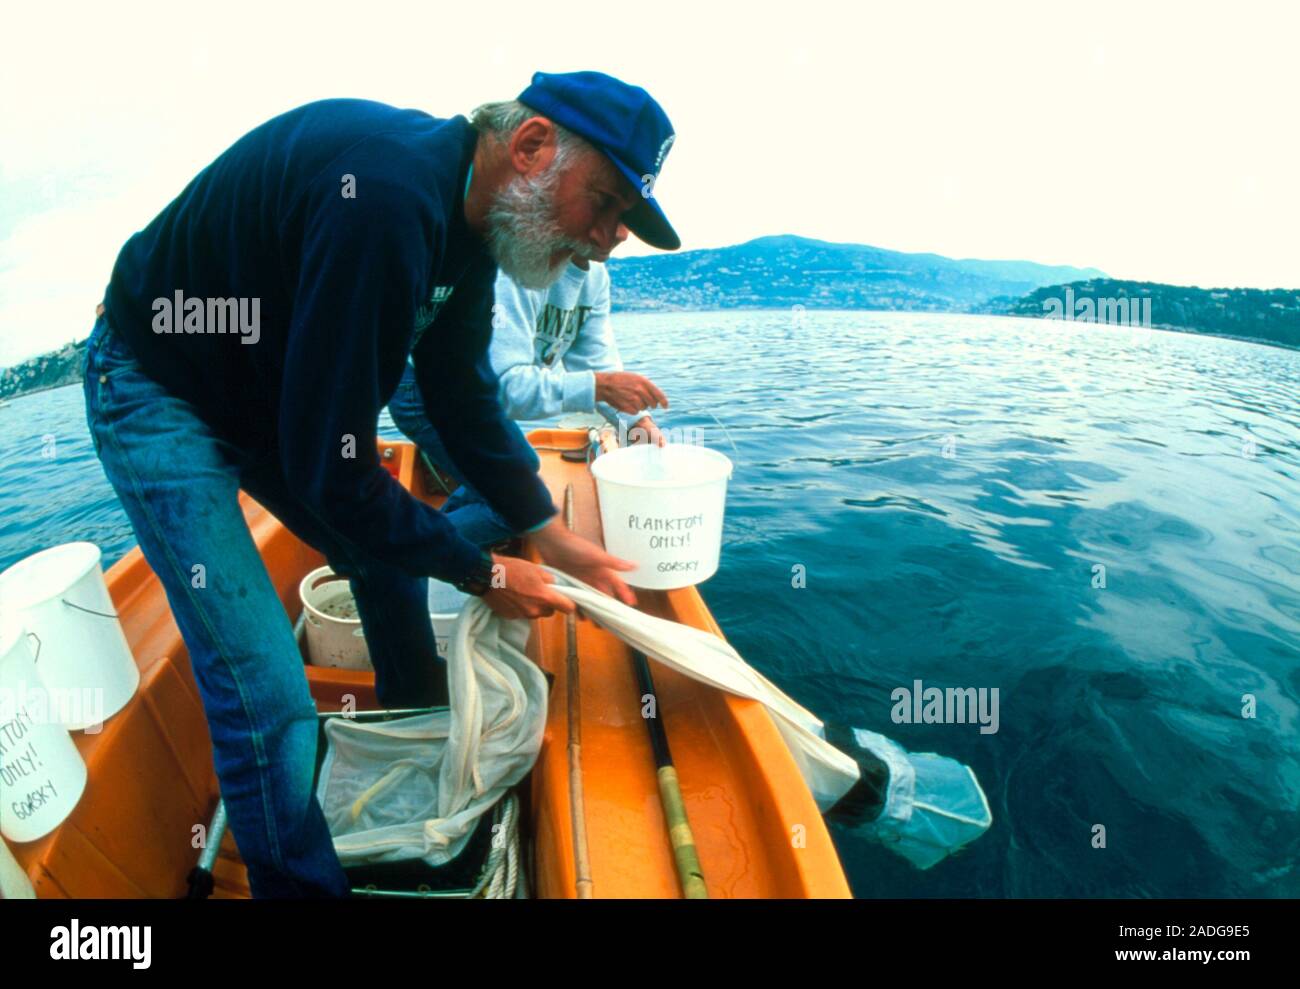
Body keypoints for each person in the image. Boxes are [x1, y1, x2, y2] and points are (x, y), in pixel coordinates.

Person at [82, 70, 680, 898]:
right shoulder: (390, 198)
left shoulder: (472, 230)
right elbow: (333, 468)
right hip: (156, 381)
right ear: (533, 144)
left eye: (623, 222)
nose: (609, 239)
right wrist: (487, 571)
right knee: (265, 688)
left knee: (391, 559)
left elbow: (461, 396)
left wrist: (545, 527)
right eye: (607, 203)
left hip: (262, 390)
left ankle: (410, 750)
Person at [388, 256, 669, 548]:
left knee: (519, 471)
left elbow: (595, 359)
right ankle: (398, 553)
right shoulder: (515, 268)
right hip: (426, 392)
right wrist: (597, 387)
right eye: (609, 210)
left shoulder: (595, 277)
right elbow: (504, 388)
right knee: (515, 510)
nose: (623, 232)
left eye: (628, 220)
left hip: (472, 395)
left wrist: (637, 422)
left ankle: (437, 544)